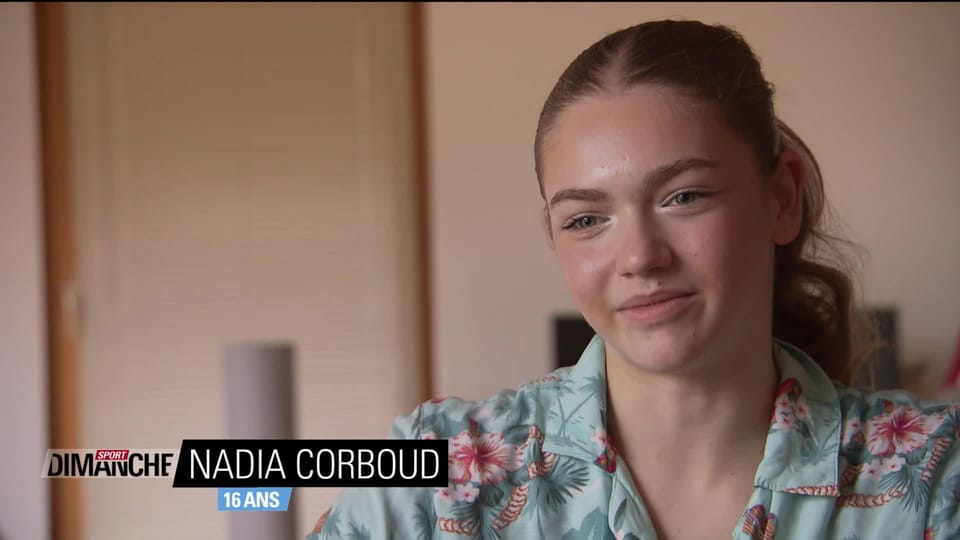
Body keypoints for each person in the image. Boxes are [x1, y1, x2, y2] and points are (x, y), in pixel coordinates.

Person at [307, 19, 959, 539]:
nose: (640, 257)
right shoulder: (437, 478)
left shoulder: (935, 480)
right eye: (587, 218)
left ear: (782, 198)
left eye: (684, 197)